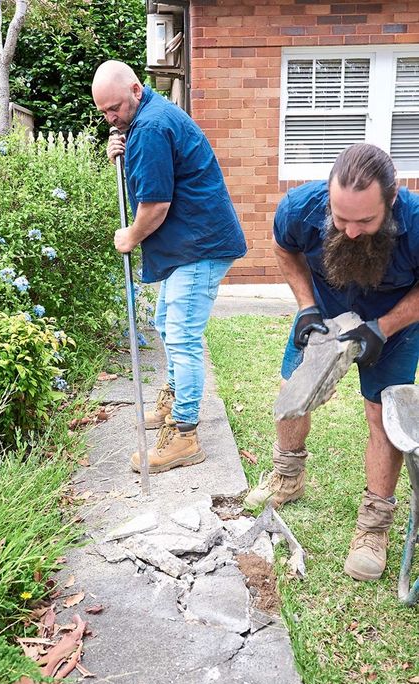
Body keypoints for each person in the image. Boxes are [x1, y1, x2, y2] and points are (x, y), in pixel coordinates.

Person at [245, 143, 419, 582]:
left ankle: (373, 526)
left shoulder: (416, 223)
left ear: (392, 199)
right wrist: (306, 307)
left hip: (395, 322)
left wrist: (384, 327)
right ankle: (287, 475)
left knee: (382, 416)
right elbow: (285, 250)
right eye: (341, 220)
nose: (352, 231)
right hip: (325, 310)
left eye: (365, 221)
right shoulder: (300, 209)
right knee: (294, 387)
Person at [92, 60, 247, 474]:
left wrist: (131, 236)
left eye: (116, 108)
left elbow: (156, 206)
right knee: (166, 322)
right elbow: (153, 178)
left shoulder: (151, 128)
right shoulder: (146, 122)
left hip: (200, 246)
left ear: (136, 90)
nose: (111, 118)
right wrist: (121, 159)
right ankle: (175, 400)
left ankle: (184, 435)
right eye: (104, 112)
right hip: (194, 243)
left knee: (181, 335)